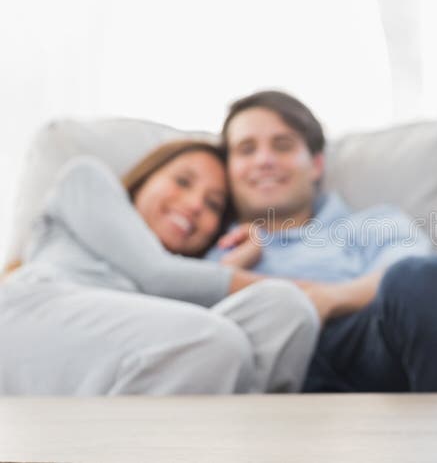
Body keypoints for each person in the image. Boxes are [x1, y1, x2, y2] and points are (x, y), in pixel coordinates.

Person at [210, 91, 437, 392]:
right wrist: (230, 271)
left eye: (282, 145)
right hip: (273, 368)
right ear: (229, 169)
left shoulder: (375, 224)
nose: (264, 160)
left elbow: (405, 275)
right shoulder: (216, 250)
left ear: (316, 164)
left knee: (424, 275)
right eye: (246, 150)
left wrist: (325, 300)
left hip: (372, 350)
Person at [0, 140, 319, 395]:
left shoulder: (177, 313)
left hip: (135, 350)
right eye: (182, 181)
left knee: (287, 308)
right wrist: (329, 293)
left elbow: (174, 285)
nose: (194, 205)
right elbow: (158, 274)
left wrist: (232, 261)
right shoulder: (86, 178)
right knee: (211, 343)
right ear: (145, 179)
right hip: (35, 306)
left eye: (213, 205)